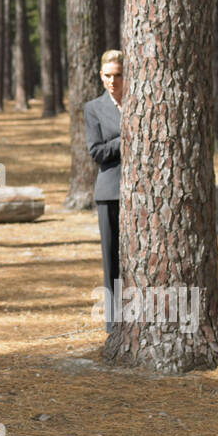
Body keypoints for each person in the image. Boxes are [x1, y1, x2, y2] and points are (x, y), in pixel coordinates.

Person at [84, 50, 123, 333]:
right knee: (112, 260)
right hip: (109, 192)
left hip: (141, 195)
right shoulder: (94, 108)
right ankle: (114, 324)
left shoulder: (141, 103)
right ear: (101, 76)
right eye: (108, 76)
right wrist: (127, 138)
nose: (113, 81)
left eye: (118, 75)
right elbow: (96, 151)